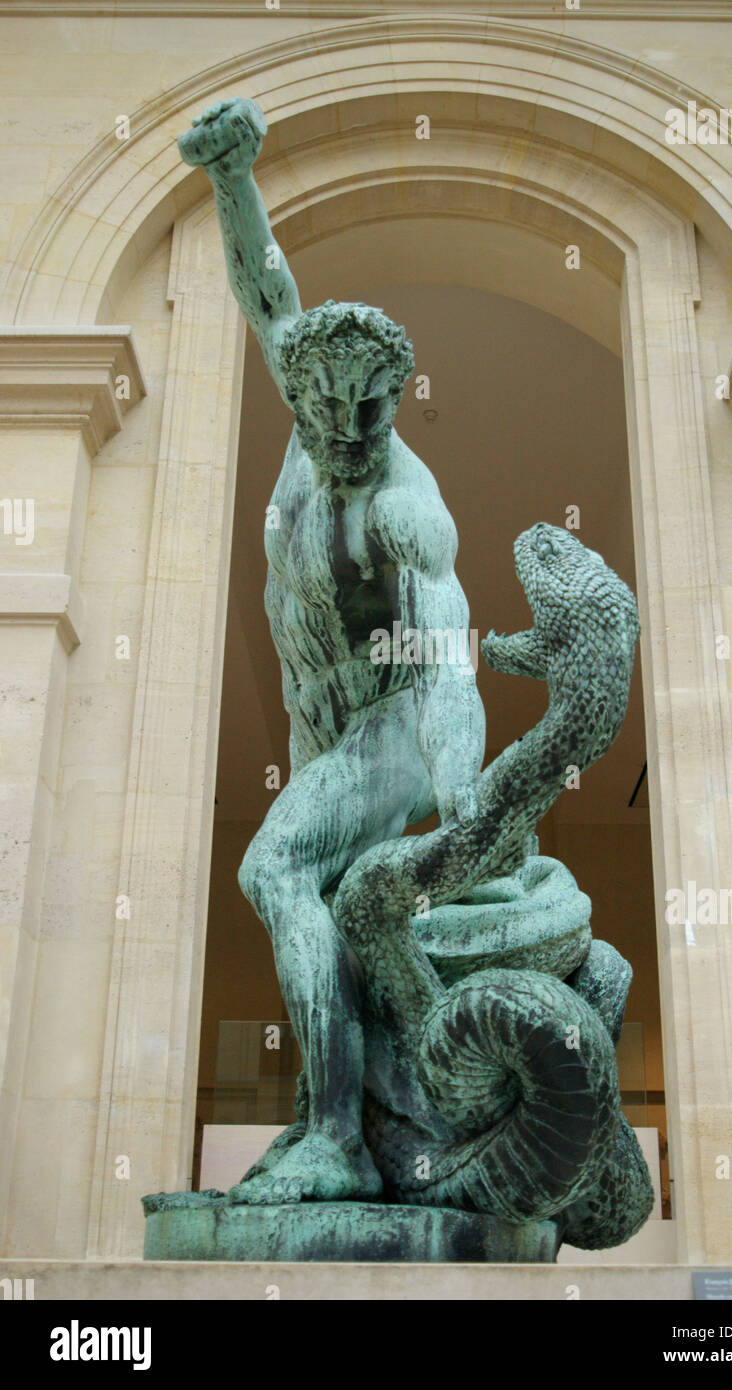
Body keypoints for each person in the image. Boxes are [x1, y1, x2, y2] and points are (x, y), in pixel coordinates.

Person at [179, 98, 486, 1202]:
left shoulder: (406, 510)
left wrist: (468, 817)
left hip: (393, 728)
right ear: (298, 395)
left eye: (370, 414)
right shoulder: (304, 397)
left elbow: (447, 660)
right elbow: (266, 287)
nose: (347, 438)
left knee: (270, 866)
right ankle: (372, 1122)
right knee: (341, 920)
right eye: (324, 415)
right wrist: (230, 176)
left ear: (392, 400)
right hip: (326, 731)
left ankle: (331, 1137)